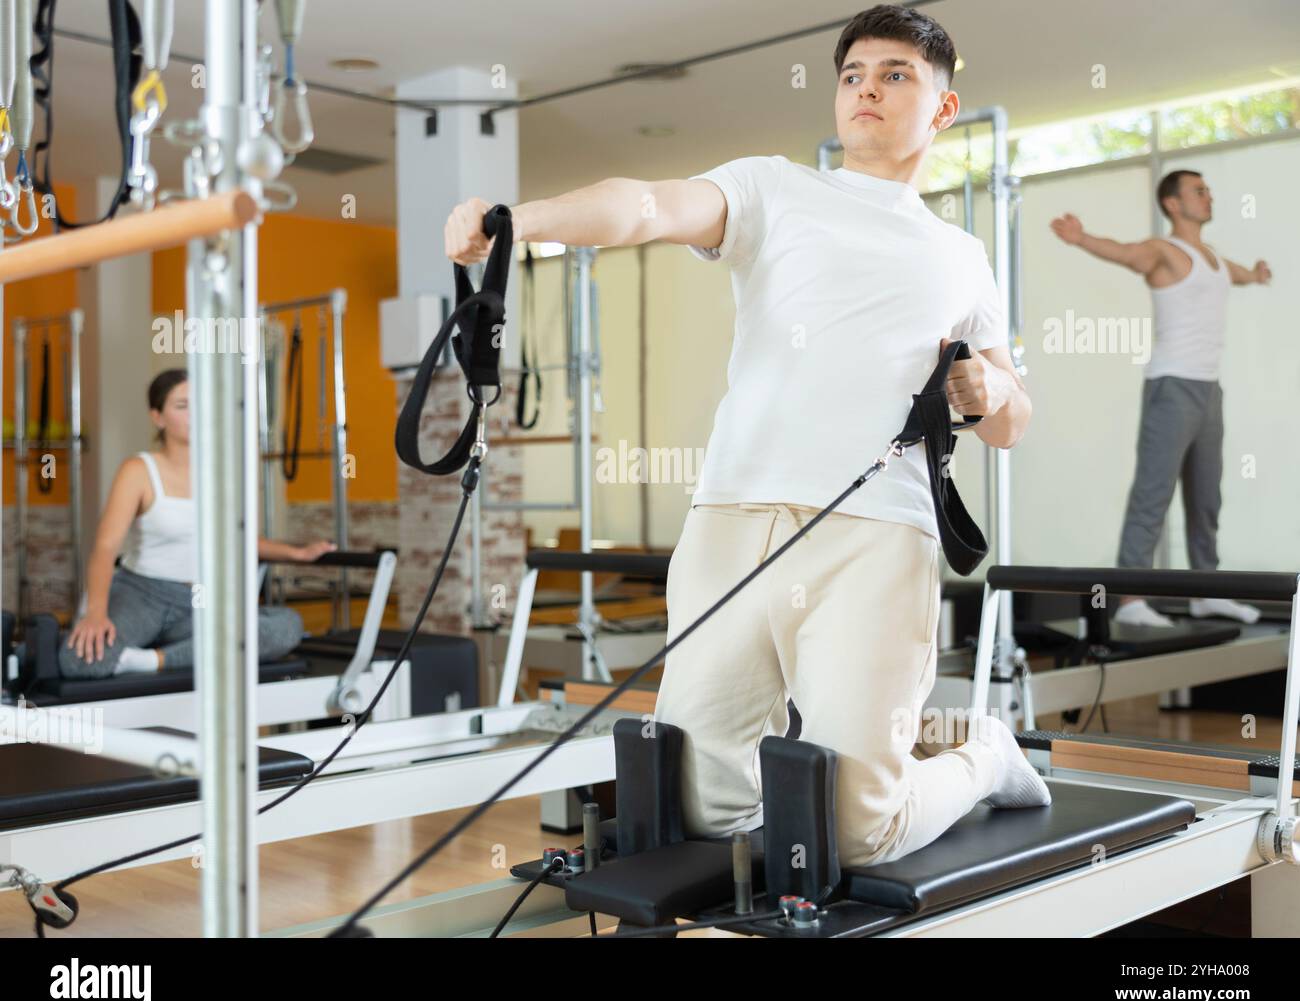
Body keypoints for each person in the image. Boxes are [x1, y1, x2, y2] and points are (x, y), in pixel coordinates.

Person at [445, 5, 1048, 867]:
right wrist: (518, 219)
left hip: (874, 536)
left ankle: (985, 755)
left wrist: (990, 388)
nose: (866, 91)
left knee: (857, 830)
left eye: (895, 76)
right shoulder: (773, 187)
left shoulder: (962, 255)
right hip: (730, 519)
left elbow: (1014, 424)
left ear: (943, 108)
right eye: (852, 76)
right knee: (703, 800)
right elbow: (646, 205)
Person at [1051, 171, 1271, 627]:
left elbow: (1240, 275)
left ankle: (1206, 591)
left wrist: (1257, 273)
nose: (1208, 196)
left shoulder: (1211, 257)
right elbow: (1126, 253)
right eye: (1198, 191)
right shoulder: (1163, 251)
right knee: (1153, 493)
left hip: (1209, 391)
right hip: (1172, 388)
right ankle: (1131, 600)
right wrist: (1081, 238)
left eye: (1208, 189)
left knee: (1206, 496)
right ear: (1172, 203)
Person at [61, 368, 332, 679]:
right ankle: (183, 650)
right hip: (142, 592)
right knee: (79, 660)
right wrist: (95, 614)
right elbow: (106, 547)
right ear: (158, 417)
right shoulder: (138, 470)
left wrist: (297, 554)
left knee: (285, 628)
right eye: (182, 405)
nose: (195, 413)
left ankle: (152, 660)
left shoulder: (221, 473)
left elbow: (236, 538)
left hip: (200, 599)